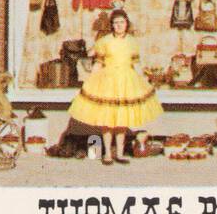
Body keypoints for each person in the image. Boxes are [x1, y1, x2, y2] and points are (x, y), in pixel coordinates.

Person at [67, 9, 163, 165]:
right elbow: (98, 63)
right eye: (116, 23)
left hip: (126, 81)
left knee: (122, 120)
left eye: (122, 22)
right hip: (108, 80)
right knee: (108, 119)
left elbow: (136, 64)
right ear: (112, 25)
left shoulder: (132, 41)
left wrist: (143, 79)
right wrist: (90, 81)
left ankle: (119, 153)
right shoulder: (104, 41)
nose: (119, 26)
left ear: (127, 24)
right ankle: (107, 154)